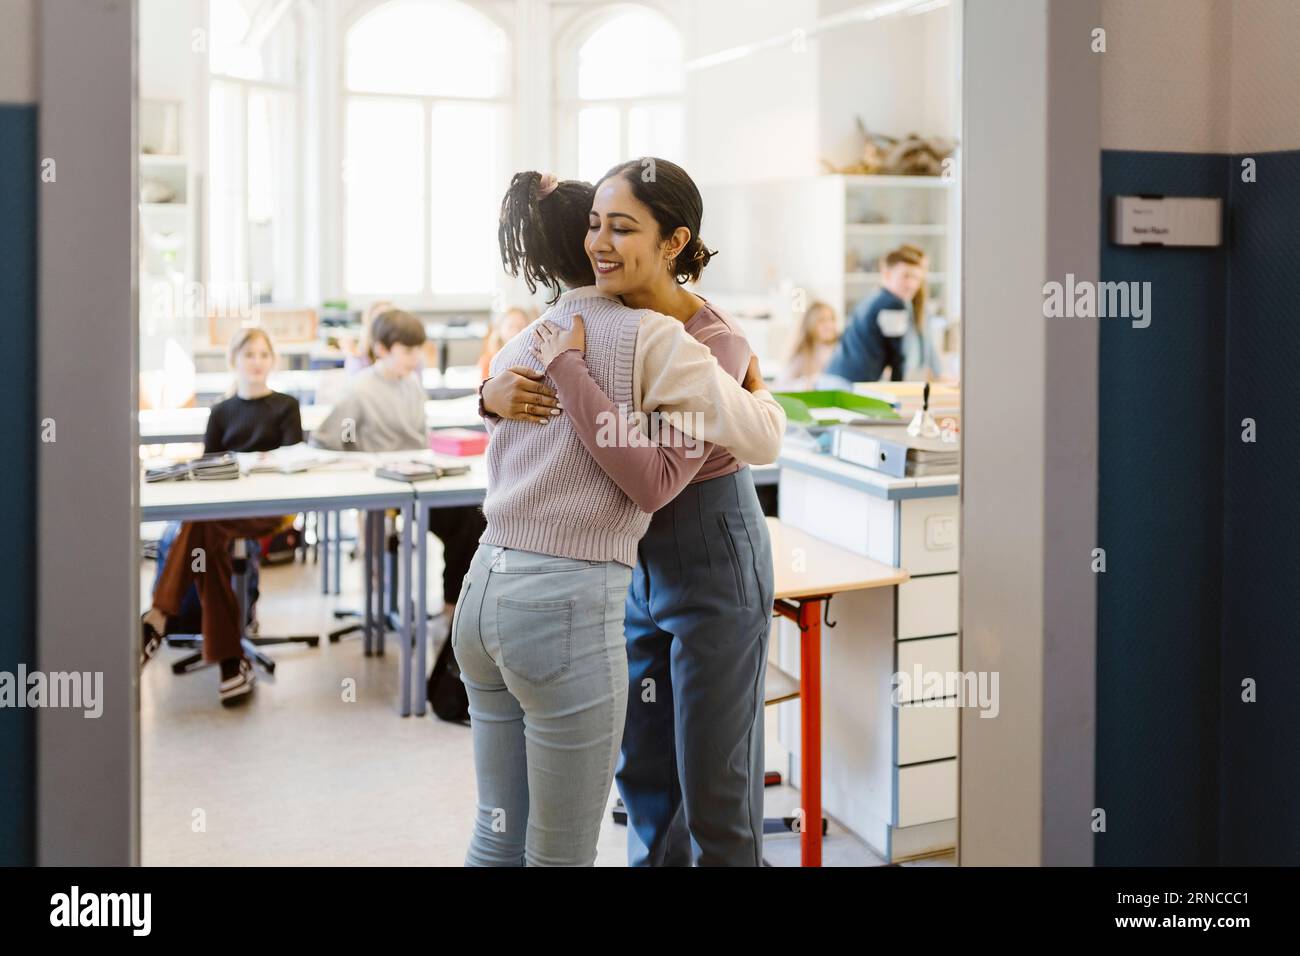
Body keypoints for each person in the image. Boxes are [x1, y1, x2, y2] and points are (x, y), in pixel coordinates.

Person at [455, 169, 786, 867]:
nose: (599, 243)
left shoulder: (707, 341)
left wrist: (566, 372)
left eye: (622, 229)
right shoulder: (600, 316)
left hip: (707, 547)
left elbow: (655, 479)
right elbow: (548, 410)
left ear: (673, 244)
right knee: (643, 776)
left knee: (714, 789)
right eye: (595, 226)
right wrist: (491, 395)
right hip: (623, 555)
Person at [140, 328, 303, 705]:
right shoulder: (220, 411)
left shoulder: (286, 405)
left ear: (272, 360)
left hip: (268, 509)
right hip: (223, 509)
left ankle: (158, 618)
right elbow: (206, 466)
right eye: (249, 355)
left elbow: (296, 461)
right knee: (206, 532)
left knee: (200, 526)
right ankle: (231, 661)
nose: (257, 362)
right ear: (234, 361)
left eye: (264, 354)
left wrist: (266, 462)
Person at [821, 243, 942, 385]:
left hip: (833, 377)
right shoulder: (893, 304)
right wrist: (899, 391)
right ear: (887, 275)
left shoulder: (873, 299)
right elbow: (898, 356)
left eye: (916, 278)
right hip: (849, 383)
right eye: (905, 276)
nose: (911, 284)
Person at [776, 299, 840, 390]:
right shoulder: (802, 354)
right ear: (810, 324)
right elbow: (781, 386)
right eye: (822, 321)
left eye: (831, 319)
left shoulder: (840, 350)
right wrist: (811, 382)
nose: (829, 325)